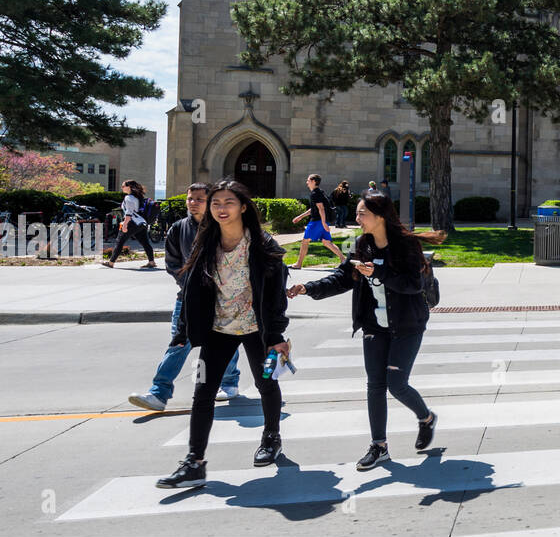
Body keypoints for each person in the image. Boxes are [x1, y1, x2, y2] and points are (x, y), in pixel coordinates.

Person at [288, 193, 445, 471]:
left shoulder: (406, 246)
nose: (357, 219)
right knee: (375, 385)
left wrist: (379, 274)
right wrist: (308, 288)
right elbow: (343, 277)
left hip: (407, 324)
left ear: (380, 216)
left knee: (396, 383)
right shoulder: (362, 245)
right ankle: (379, 446)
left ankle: (426, 418)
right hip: (374, 325)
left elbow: (413, 285)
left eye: (362, 214)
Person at [156, 179, 291, 488]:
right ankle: (195, 462)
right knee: (202, 392)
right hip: (219, 330)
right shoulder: (206, 243)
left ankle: (271, 437)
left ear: (243, 206)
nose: (220, 209)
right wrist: (183, 331)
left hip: (259, 330)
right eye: (216, 203)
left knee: (266, 383)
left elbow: (275, 297)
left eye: (228, 202)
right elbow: (192, 289)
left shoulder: (264, 246)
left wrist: (277, 335)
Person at [128, 183, 241, 412]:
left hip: (221, 298)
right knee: (179, 344)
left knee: (223, 341)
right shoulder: (178, 228)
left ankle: (229, 383)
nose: (193, 203)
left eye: (199, 199)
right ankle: (158, 393)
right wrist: (190, 286)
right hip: (188, 298)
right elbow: (172, 263)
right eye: (190, 198)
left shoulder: (223, 228)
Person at [290, 173, 344, 270]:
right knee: (327, 242)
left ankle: (298, 264)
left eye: (308, 180)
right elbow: (314, 209)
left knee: (305, 241)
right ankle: (344, 261)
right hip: (322, 221)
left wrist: (323, 223)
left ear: (314, 181)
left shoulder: (315, 194)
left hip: (317, 222)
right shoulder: (319, 192)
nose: (307, 182)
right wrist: (300, 216)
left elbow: (321, 208)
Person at [102, 179, 157, 269]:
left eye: (123, 186)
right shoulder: (137, 197)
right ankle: (151, 262)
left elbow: (129, 212)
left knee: (119, 241)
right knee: (145, 243)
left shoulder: (129, 198)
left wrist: (125, 224)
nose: (122, 188)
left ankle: (111, 262)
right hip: (141, 223)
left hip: (132, 222)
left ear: (129, 187)